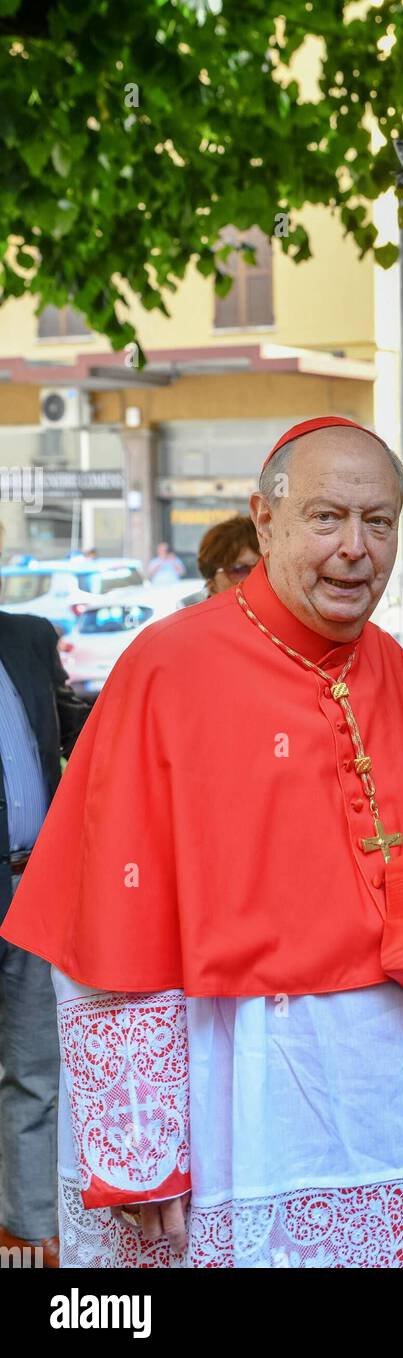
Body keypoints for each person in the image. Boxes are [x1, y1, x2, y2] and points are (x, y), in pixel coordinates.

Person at [1, 416, 403, 1269]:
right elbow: (111, 921)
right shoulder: (167, 668)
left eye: (380, 521)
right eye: (327, 518)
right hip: (241, 1083)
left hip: (402, 1083)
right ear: (266, 519)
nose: (357, 548)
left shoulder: (386, 661)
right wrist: (139, 1155)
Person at [0, 529, 89, 1268]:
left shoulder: (29, 638)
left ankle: (31, 1240)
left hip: (32, 890)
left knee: (37, 1071)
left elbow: (79, 731)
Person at [179, 515, 260, 607]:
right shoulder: (190, 616)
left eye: (263, 566)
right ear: (212, 584)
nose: (256, 576)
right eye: (239, 569)